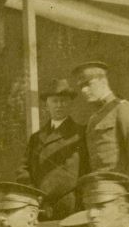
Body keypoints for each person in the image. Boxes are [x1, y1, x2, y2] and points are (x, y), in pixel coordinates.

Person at [17, 79, 83, 219]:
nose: (59, 105)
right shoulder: (36, 137)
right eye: (54, 101)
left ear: (70, 103)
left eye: (63, 101)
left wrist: (43, 194)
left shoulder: (79, 133)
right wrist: (31, 194)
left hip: (67, 204)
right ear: (46, 104)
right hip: (39, 206)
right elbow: (24, 169)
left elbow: (71, 173)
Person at [72, 61, 129, 177]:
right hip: (99, 184)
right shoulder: (94, 118)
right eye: (81, 86)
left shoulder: (123, 108)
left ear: (103, 81)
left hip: (121, 184)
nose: (84, 90)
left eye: (88, 84)